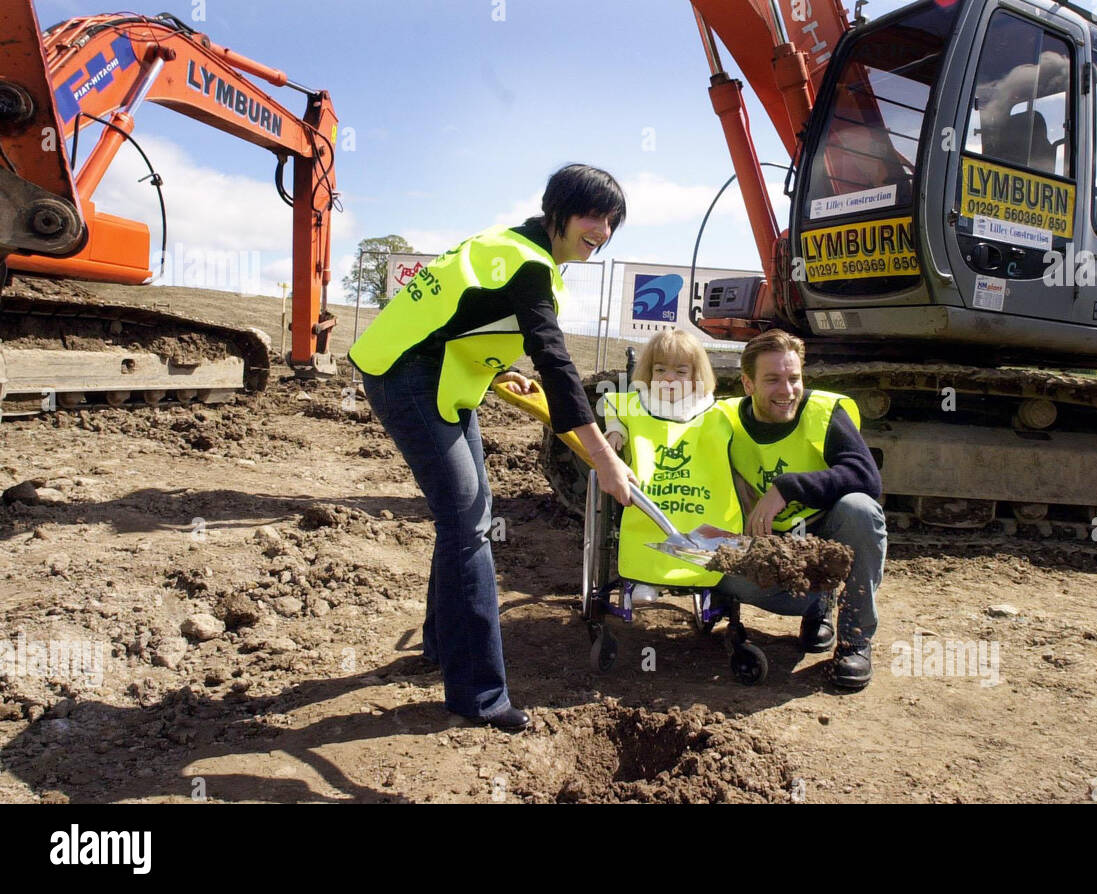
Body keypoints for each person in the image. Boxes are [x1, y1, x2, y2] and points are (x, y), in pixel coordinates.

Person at [348, 164, 636, 732]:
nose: (601, 231)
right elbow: (556, 363)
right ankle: (478, 695)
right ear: (557, 210)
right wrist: (603, 458)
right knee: (467, 526)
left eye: (611, 222)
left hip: (441, 376)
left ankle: (441, 646)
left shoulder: (514, 249)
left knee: (469, 517)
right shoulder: (528, 265)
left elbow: (459, 316)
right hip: (408, 377)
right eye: (592, 216)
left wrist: (499, 370)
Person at [715, 330, 886, 690]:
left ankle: (854, 641)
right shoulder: (723, 418)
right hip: (765, 548)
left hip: (820, 539)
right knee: (719, 573)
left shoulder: (824, 413)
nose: (787, 390)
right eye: (772, 380)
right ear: (747, 383)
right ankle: (816, 605)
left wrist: (788, 487)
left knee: (861, 509)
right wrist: (620, 429)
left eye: (794, 378)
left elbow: (867, 478)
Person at [599, 329, 742, 602]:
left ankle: (705, 578)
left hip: (702, 493)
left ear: (696, 375)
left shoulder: (716, 411)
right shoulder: (637, 404)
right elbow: (615, 407)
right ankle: (647, 577)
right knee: (648, 521)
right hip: (649, 493)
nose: (668, 378)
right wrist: (616, 430)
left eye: (680, 371)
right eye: (660, 369)